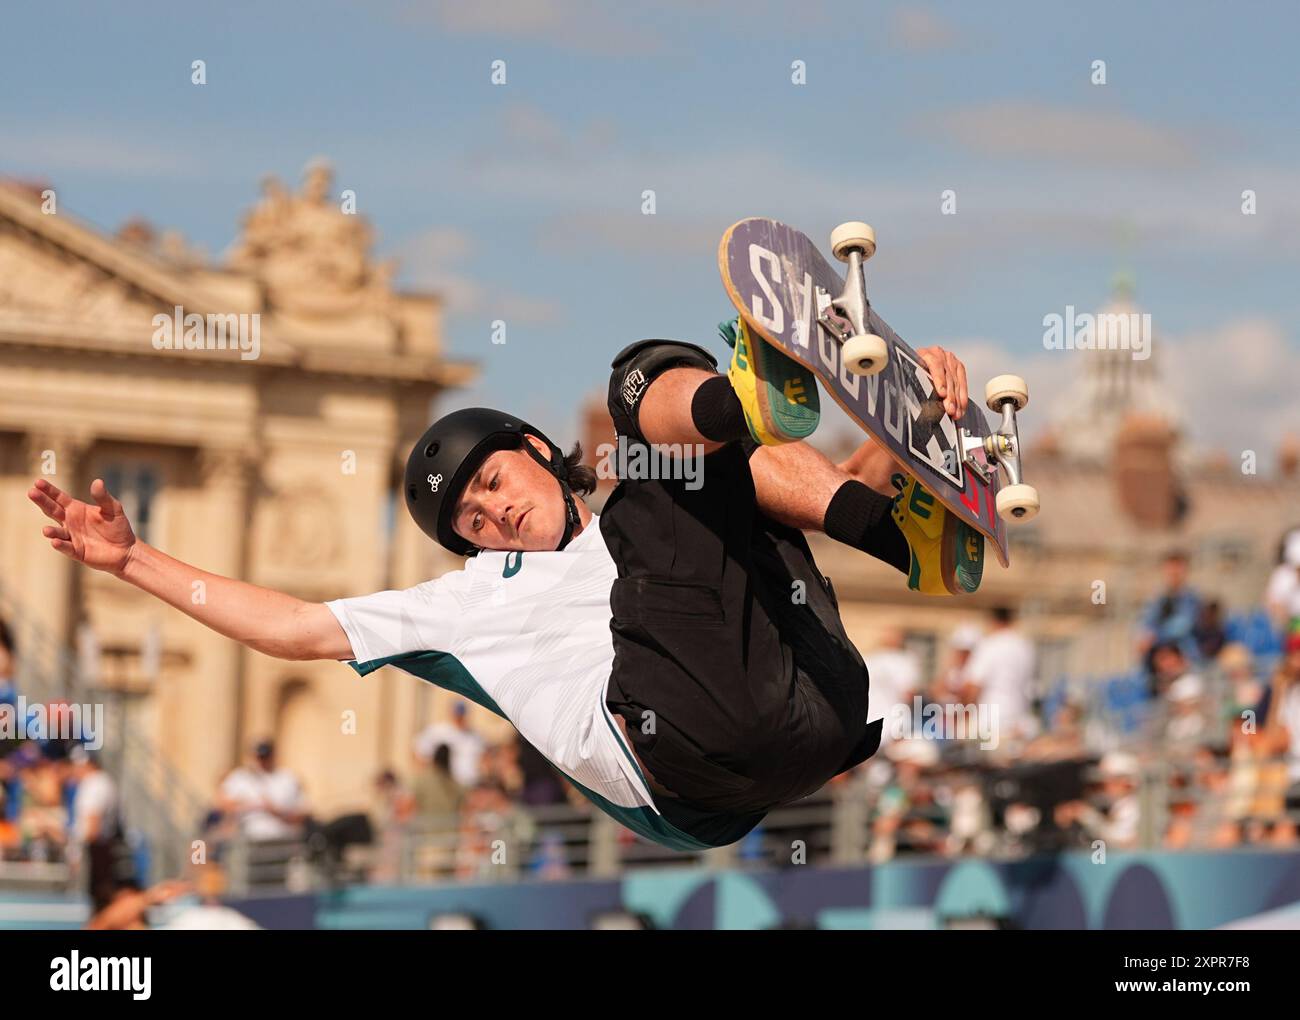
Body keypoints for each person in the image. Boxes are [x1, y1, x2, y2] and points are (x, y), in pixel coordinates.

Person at [27, 331, 980, 851]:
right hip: (683, 763)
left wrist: (913, 429)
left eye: (492, 487)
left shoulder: (651, 538)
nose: (493, 518)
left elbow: (788, 514)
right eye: (471, 524)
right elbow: (292, 628)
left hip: (822, 713)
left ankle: (904, 524)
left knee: (715, 480)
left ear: (532, 451)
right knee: (643, 406)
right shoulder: (467, 602)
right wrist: (131, 562)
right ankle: (739, 401)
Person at [964, 607, 1037, 745]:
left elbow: (973, 685)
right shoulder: (1025, 646)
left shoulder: (990, 645)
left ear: (993, 621)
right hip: (1018, 717)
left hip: (990, 720)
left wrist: (966, 714)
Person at [216, 740, 308, 842]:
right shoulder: (240, 777)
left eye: (265, 757)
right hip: (247, 839)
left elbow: (302, 813)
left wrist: (276, 811)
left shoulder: (288, 778)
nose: (261, 761)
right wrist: (250, 806)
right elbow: (222, 804)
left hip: (281, 838)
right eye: (258, 757)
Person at [1136, 550, 1202, 675]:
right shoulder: (1157, 600)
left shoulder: (1192, 599)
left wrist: (1156, 635)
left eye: (1177, 570)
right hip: (1158, 658)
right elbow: (1145, 623)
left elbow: (1183, 626)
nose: (1173, 574)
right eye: (1170, 571)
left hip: (1185, 657)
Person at [413, 702, 484, 788]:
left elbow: (484, 759)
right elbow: (419, 751)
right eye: (457, 714)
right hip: (445, 786)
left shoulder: (475, 736)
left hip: (469, 785)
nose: (459, 718)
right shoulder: (438, 731)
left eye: (461, 715)